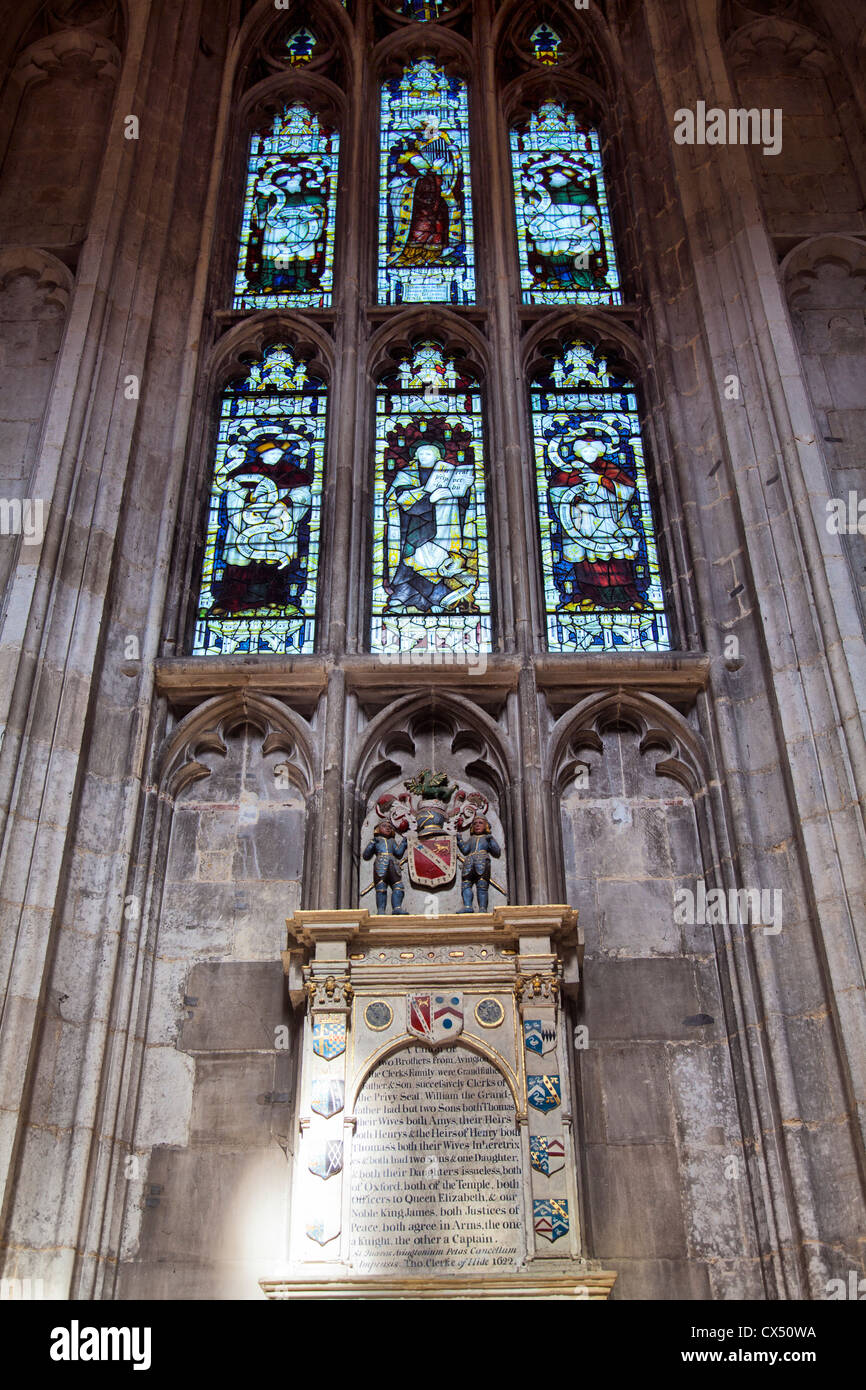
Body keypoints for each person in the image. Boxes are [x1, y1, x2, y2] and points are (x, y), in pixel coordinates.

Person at [384, 441, 477, 613]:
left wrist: (464, 489)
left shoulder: (447, 473)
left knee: (439, 560)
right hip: (414, 525)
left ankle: (436, 597)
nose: (424, 456)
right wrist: (429, 499)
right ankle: (429, 597)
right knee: (413, 560)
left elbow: (464, 504)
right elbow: (398, 499)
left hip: (445, 526)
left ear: (437, 457)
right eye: (421, 453)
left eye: (429, 453)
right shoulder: (406, 475)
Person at [362, 822, 408, 914]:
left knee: (398, 886)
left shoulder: (392, 841)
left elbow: (398, 853)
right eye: (384, 826)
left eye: (390, 827)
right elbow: (366, 855)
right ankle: (381, 910)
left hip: (393, 864)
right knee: (381, 887)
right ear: (377, 829)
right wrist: (372, 843)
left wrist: (403, 844)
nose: (388, 828)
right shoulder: (377, 840)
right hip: (381, 864)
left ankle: (397, 908)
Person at [457, 816, 501, 913]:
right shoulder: (471, 839)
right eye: (475, 823)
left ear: (486, 826)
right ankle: (468, 906)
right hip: (469, 861)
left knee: (482, 885)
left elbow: (497, 852)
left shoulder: (487, 838)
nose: (477, 825)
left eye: (480, 823)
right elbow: (465, 850)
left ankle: (482, 908)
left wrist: (491, 841)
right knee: (466, 884)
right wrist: (459, 839)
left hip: (482, 861)